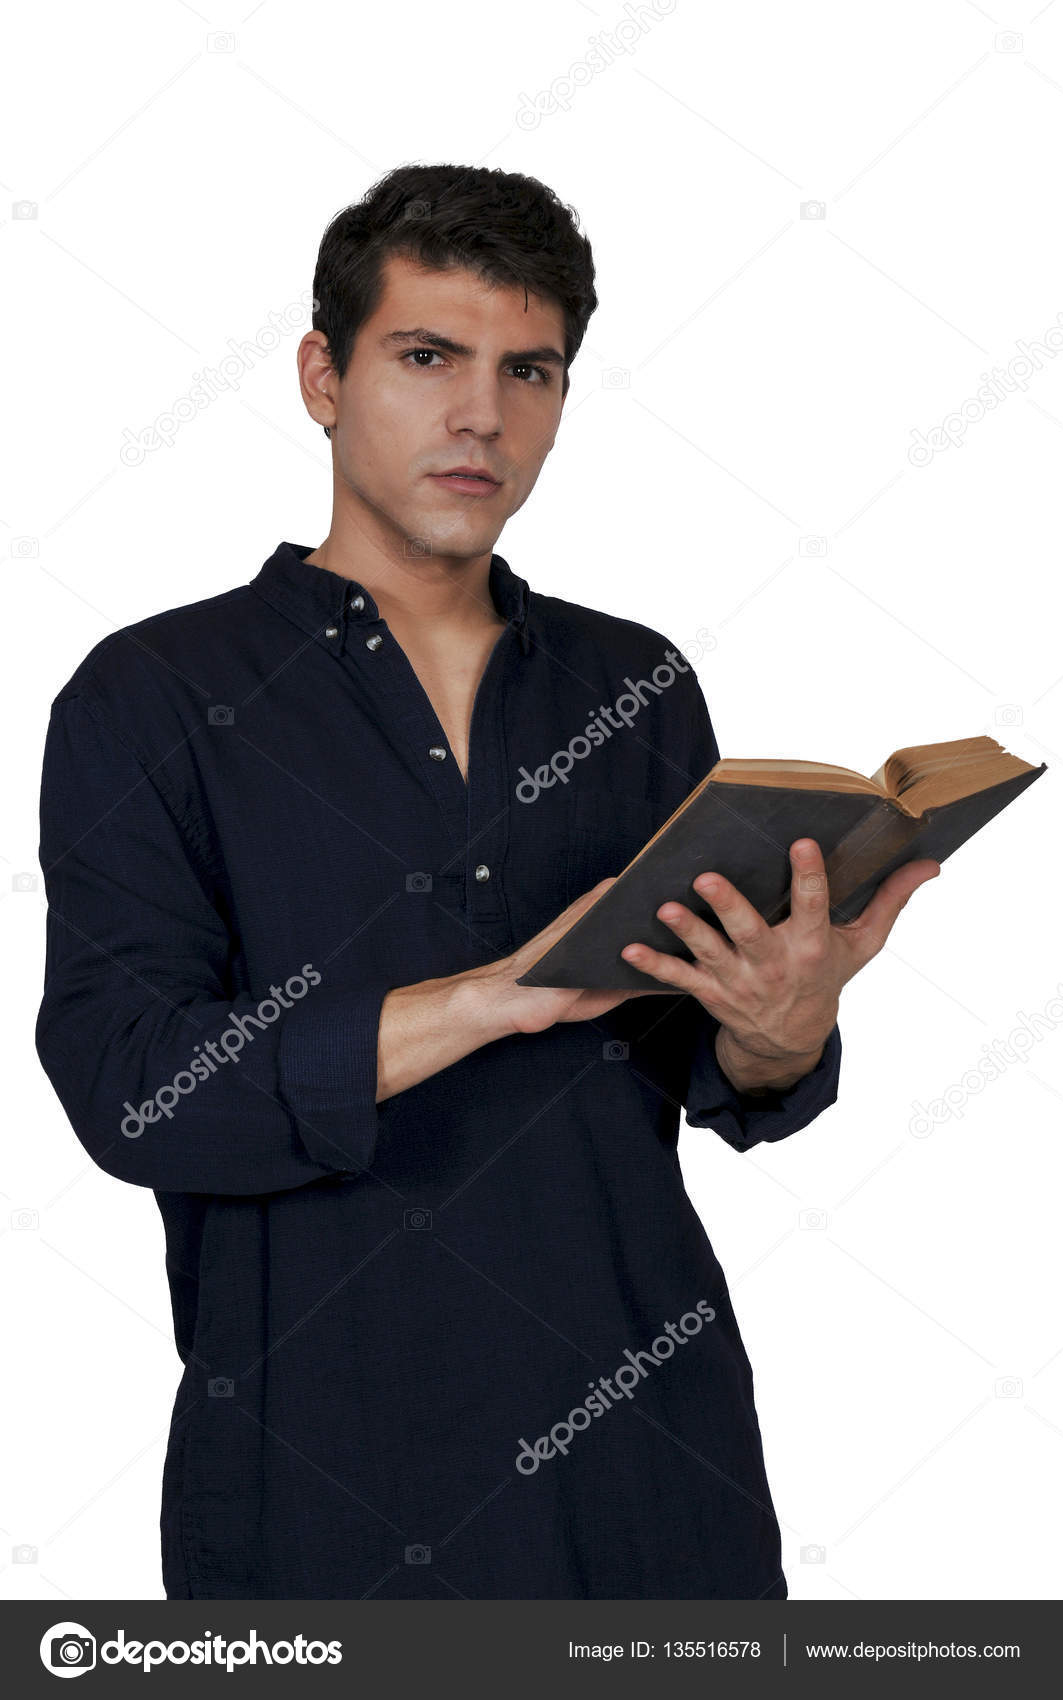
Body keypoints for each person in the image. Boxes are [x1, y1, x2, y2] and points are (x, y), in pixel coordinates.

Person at [34, 164, 939, 1601]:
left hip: (656, 1464)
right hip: (318, 1478)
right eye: (427, 357)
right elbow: (128, 1087)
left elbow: (704, 1069)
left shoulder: (632, 685)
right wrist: (486, 1000)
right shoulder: (152, 694)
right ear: (323, 376)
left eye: (532, 371)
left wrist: (780, 1030)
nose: (483, 415)